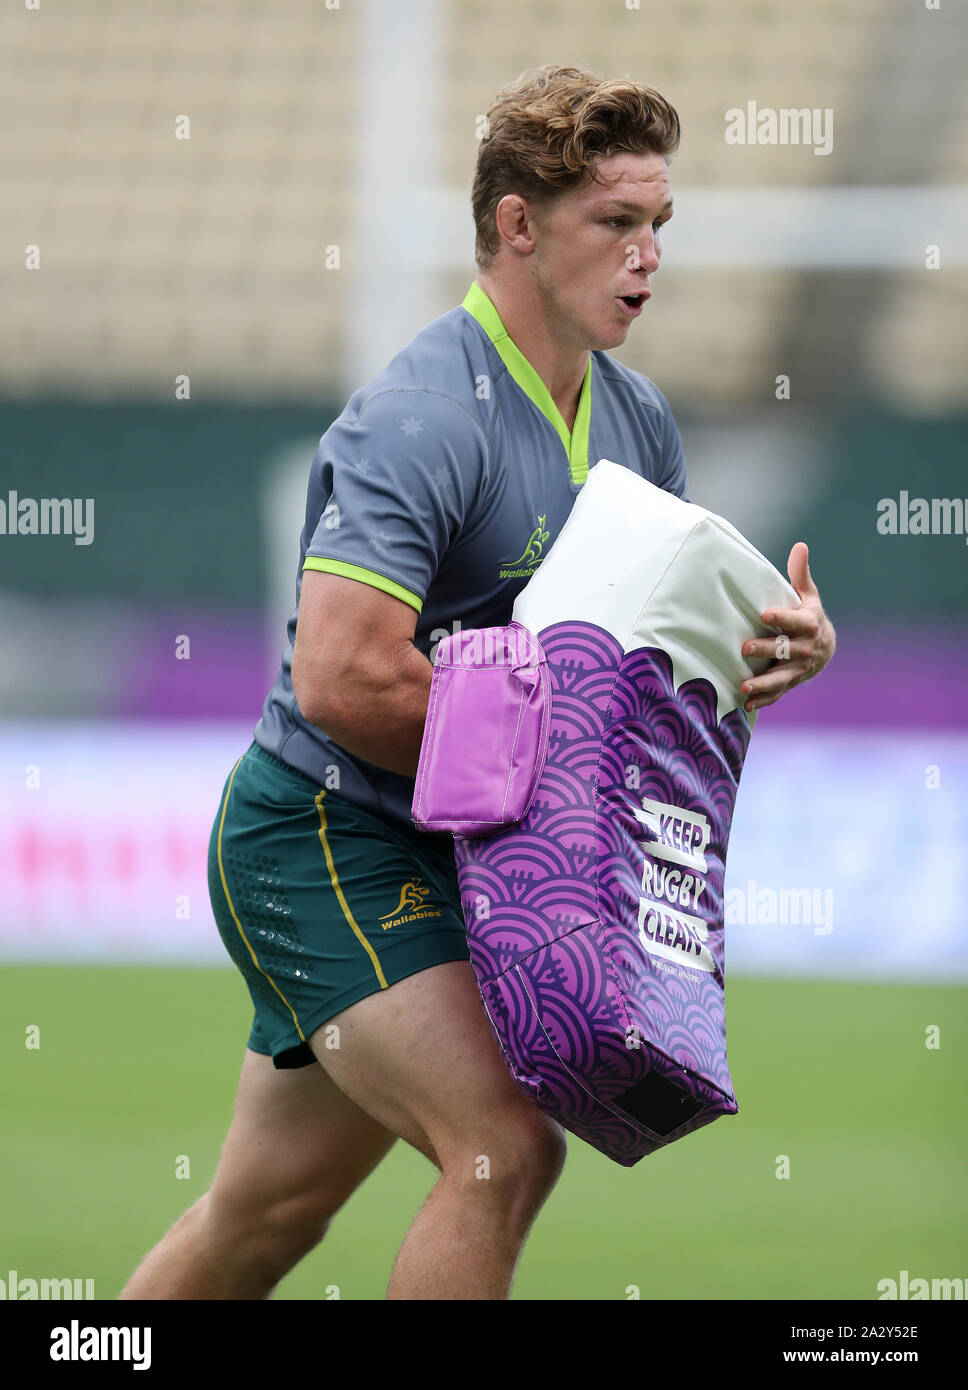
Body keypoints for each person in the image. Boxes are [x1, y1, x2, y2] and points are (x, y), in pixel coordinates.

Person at [120, 63, 835, 1302]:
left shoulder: (638, 422)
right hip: (324, 838)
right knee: (501, 1148)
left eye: (657, 226)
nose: (647, 255)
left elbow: (642, 671)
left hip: (458, 849)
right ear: (516, 224)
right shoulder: (417, 417)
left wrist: (766, 656)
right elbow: (342, 679)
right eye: (616, 221)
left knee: (264, 1212)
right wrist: (553, 778)